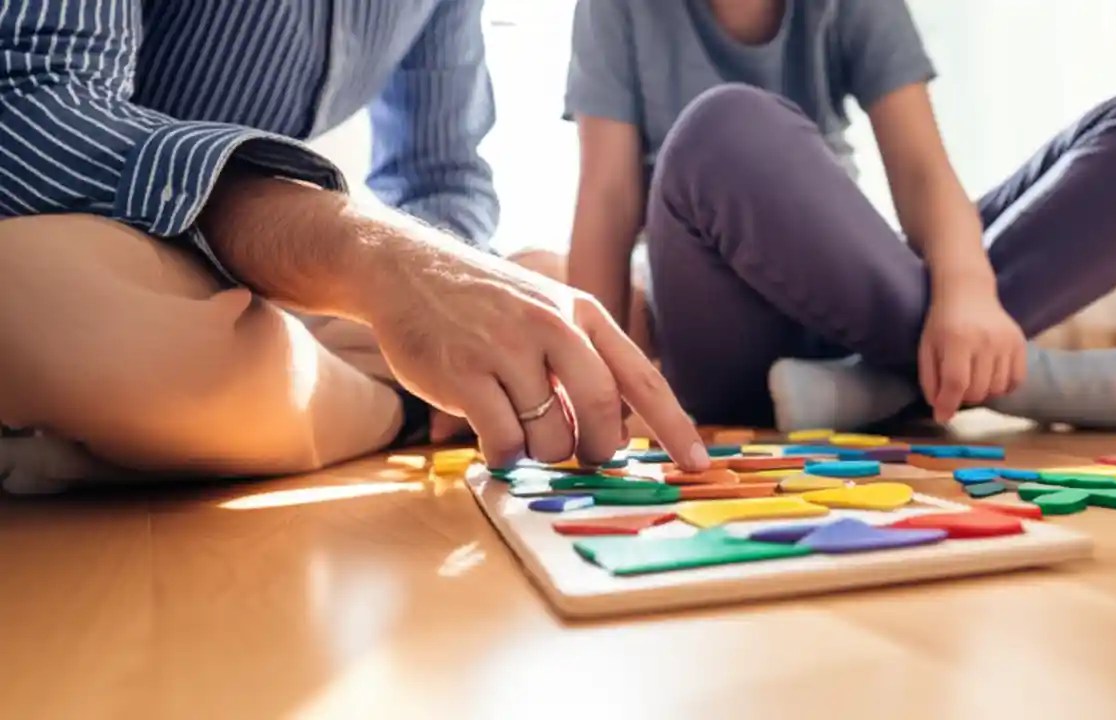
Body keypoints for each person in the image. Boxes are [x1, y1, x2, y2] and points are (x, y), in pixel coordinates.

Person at [0, 1, 710, 495]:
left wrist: (440, 296)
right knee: (32, 294)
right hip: (108, 240)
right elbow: (31, 106)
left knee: (544, 282)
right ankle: (387, 414)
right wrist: (368, 257)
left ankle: (379, 402)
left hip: (264, 284)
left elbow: (442, 176)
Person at [563, 0, 1116, 431]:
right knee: (721, 127)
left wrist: (968, 294)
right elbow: (609, 199)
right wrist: (599, 380)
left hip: (854, 286)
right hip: (723, 323)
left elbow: (920, 172)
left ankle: (875, 384)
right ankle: (1023, 378)